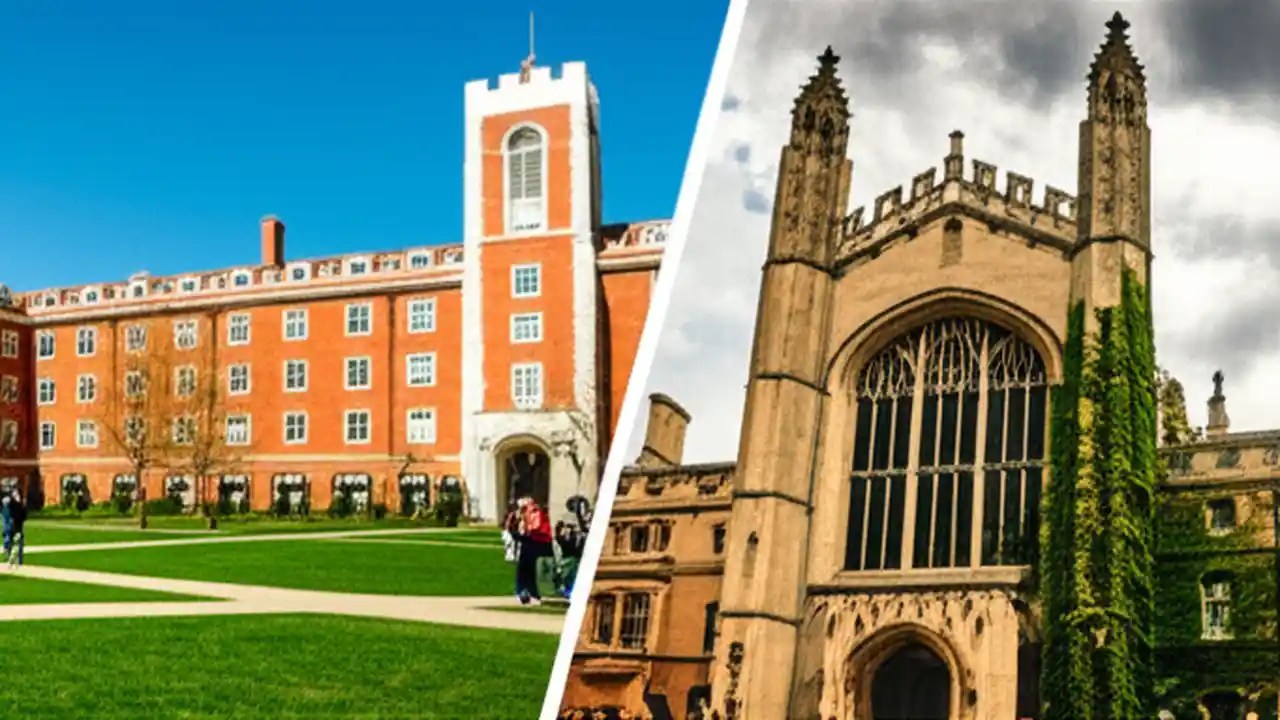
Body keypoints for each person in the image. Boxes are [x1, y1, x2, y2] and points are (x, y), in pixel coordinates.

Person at [516, 496, 553, 605]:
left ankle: (533, 592)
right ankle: (523, 591)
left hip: (537, 543)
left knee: (532, 569)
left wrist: (525, 523)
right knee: (524, 569)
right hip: (529, 542)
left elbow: (535, 527)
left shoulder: (535, 513)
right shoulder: (525, 514)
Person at [7, 492, 25, 567]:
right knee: (18, 543)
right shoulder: (18, 505)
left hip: (16, 525)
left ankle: (14, 559)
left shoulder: (13, 505)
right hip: (17, 526)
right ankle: (18, 560)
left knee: (15, 542)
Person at [1, 494, 11, 560]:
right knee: (8, 540)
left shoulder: (3, 510)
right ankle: (7, 553)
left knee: (6, 540)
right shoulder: (7, 510)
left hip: (5, 528)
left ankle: (6, 552)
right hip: (8, 528)